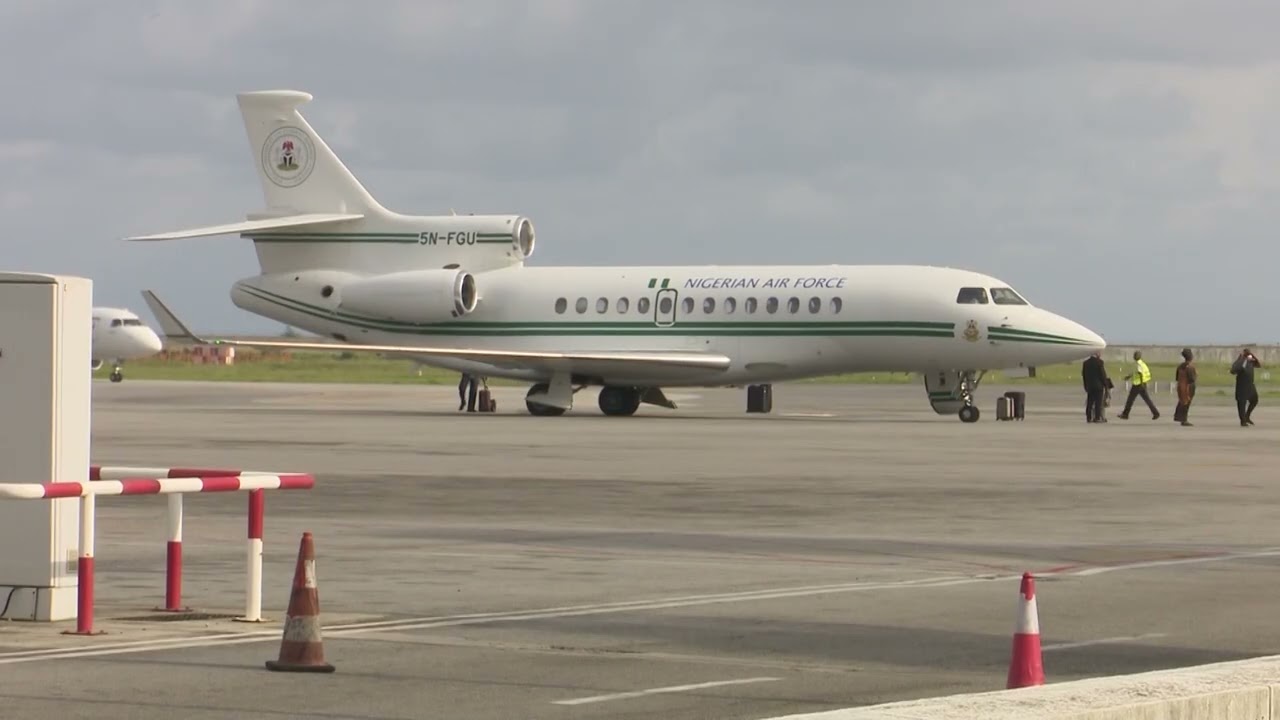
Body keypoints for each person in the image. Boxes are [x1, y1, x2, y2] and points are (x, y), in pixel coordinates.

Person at [1118, 350, 1160, 420]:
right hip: (1142, 384)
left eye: (1135, 355)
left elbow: (1140, 374)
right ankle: (1156, 413)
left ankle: (1125, 414)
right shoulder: (1142, 364)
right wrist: (1129, 376)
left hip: (1138, 385)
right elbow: (1136, 372)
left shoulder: (1139, 364)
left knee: (1130, 400)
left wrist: (1141, 383)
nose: (1134, 356)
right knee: (1147, 400)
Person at [1231, 347, 1262, 426]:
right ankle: (1243, 421)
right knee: (1242, 404)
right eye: (1246, 353)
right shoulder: (1240, 362)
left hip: (1250, 385)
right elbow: (1233, 370)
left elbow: (1258, 365)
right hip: (1242, 386)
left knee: (1255, 400)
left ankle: (1247, 416)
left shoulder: (1250, 362)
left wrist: (1252, 356)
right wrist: (1241, 358)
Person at [1081, 350, 1108, 423]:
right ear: (1096, 354)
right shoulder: (1100, 362)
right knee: (1098, 403)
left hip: (1090, 386)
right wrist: (1106, 385)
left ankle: (1088, 417)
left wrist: (1086, 385)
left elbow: (1084, 375)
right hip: (1098, 386)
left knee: (1090, 402)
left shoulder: (1085, 363)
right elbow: (1102, 375)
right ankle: (1097, 417)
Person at [1173, 348, 1197, 426]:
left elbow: (1177, 377)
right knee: (1186, 403)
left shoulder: (1180, 366)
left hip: (1180, 385)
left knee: (1182, 401)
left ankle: (1179, 417)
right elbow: (1192, 379)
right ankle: (1183, 419)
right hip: (1188, 387)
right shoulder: (1190, 367)